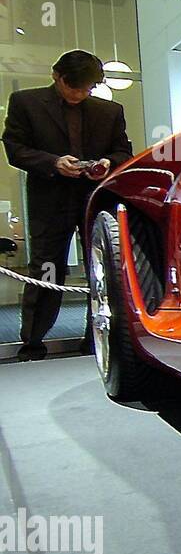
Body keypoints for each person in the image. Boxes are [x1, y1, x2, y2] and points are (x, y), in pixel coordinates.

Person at [2, 50, 133, 361]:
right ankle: (33, 342)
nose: (79, 94)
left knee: (100, 269)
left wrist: (106, 163)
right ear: (56, 76)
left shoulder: (110, 111)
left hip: (95, 198)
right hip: (49, 199)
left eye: (87, 89)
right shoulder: (26, 103)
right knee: (46, 269)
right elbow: (15, 149)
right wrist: (53, 162)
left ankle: (97, 339)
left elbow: (122, 152)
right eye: (74, 87)